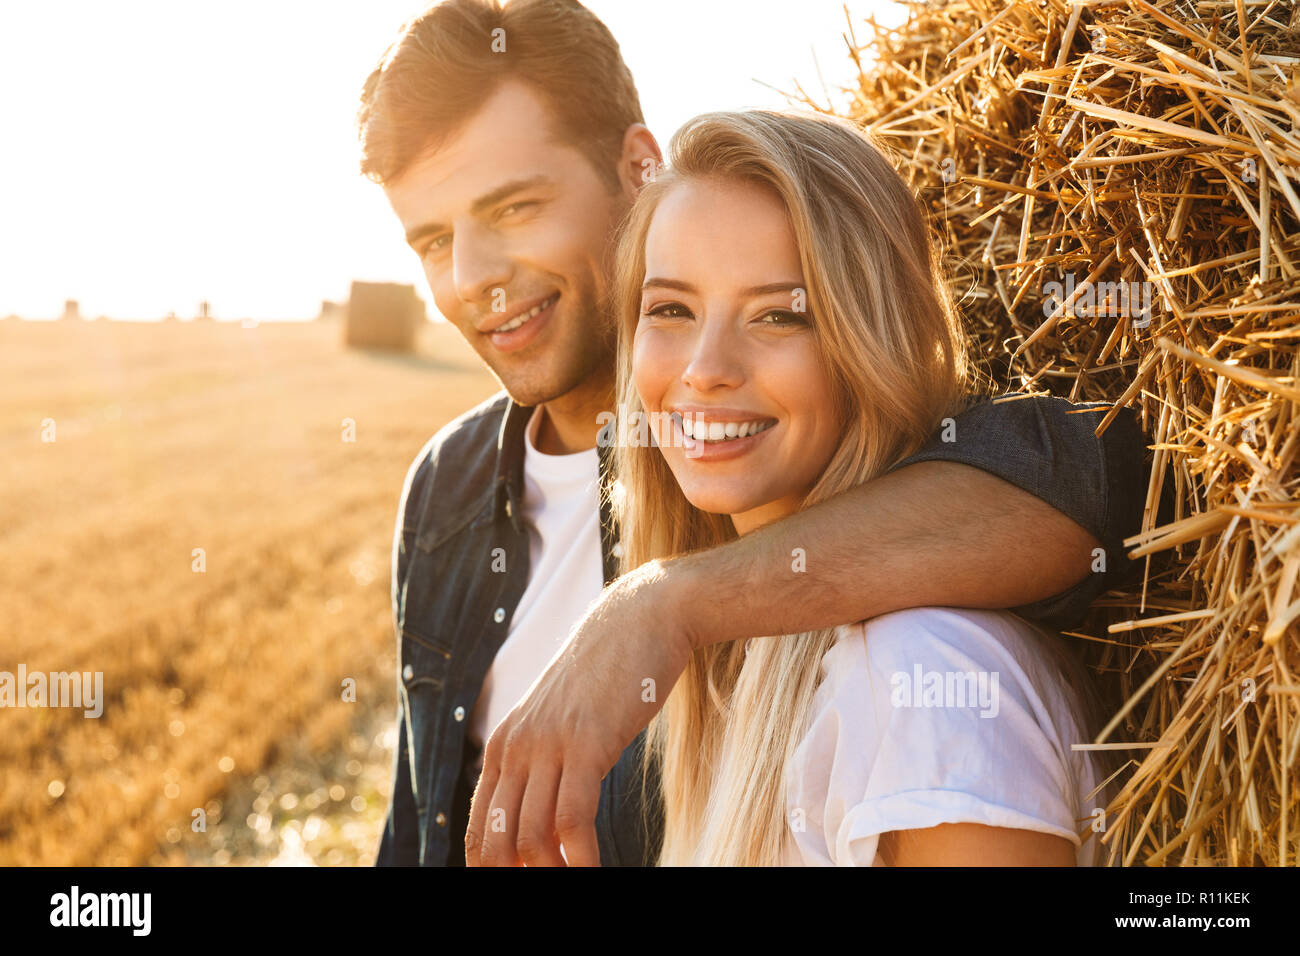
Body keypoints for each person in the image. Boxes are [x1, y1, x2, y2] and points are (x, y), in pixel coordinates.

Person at [358, 0, 1145, 867]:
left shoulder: (895, 642)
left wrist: (662, 603)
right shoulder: (450, 488)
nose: (473, 278)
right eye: (432, 240)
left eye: (513, 207)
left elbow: (1080, 475)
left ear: (635, 167)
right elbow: (416, 814)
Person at [610, 109, 1111, 865]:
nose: (705, 367)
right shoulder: (725, 665)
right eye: (672, 309)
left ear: (871, 345)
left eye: (780, 315)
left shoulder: (921, 671)